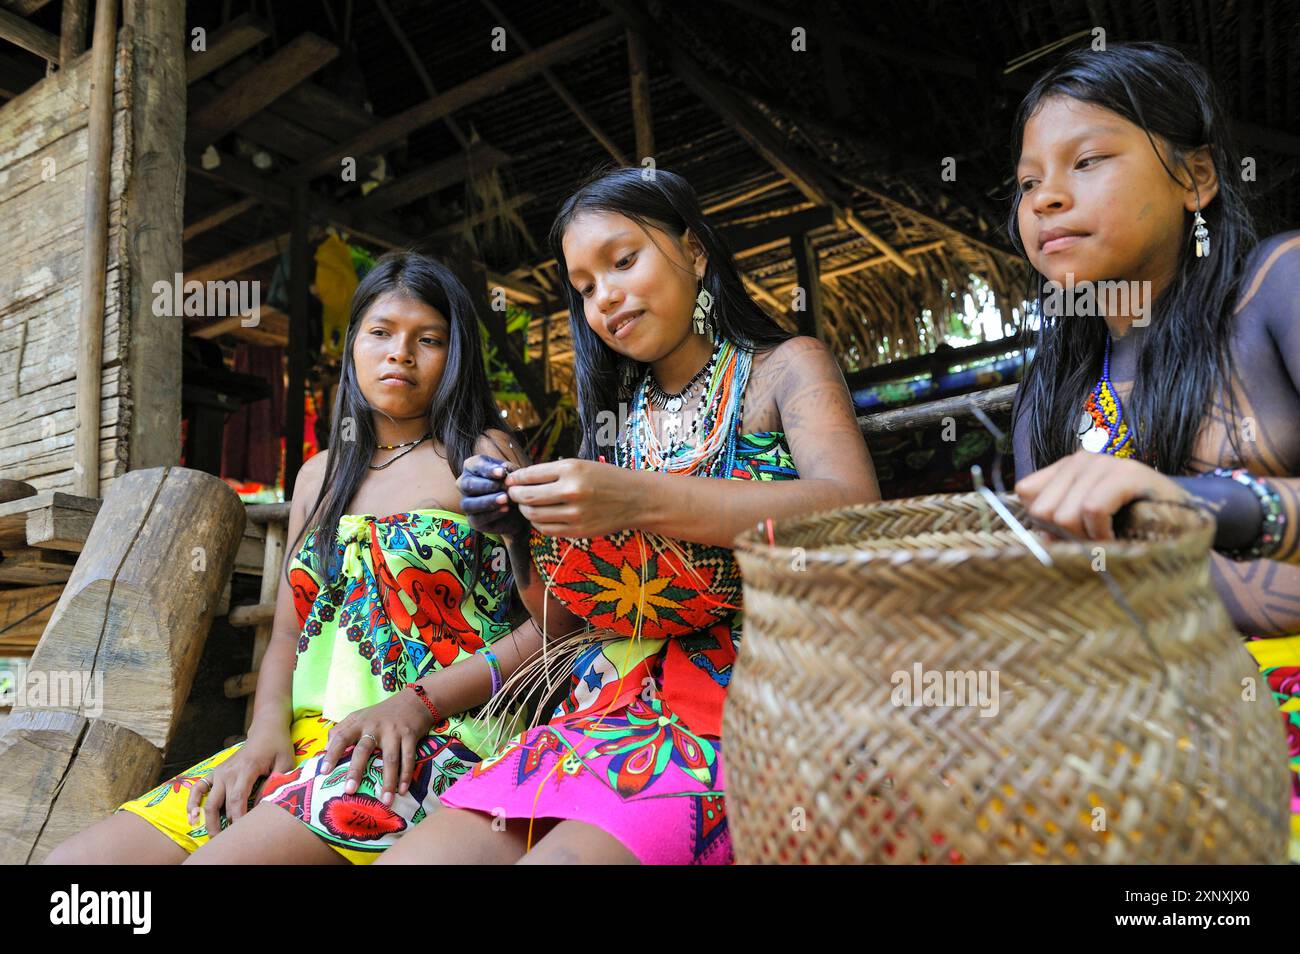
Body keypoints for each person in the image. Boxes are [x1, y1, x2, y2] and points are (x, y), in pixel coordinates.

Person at [375, 167, 880, 866]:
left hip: (759, 703)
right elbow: (567, 625)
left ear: (695, 253)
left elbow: (853, 510)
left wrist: (637, 497)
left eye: (623, 261)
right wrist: (518, 536)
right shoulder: (613, 427)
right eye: (584, 287)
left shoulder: (785, 369)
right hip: (607, 705)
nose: (604, 296)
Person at [46, 251, 546, 864]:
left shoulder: (482, 453)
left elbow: (550, 627)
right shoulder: (320, 474)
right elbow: (288, 631)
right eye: (381, 333)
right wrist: (262, 735)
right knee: (75, 871)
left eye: (429, 339)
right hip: (304, 739)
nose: (401, 353)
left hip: (432, 735)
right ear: (352, 346)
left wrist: (418, 703)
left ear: (455, 355)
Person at [1006, 42, 1300, 861]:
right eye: (1029, 183)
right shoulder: (1053, 391)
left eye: (1087, 161)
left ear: (1195, 179)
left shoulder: (1279, 287)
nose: (1047, 199)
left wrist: (1201, 505)